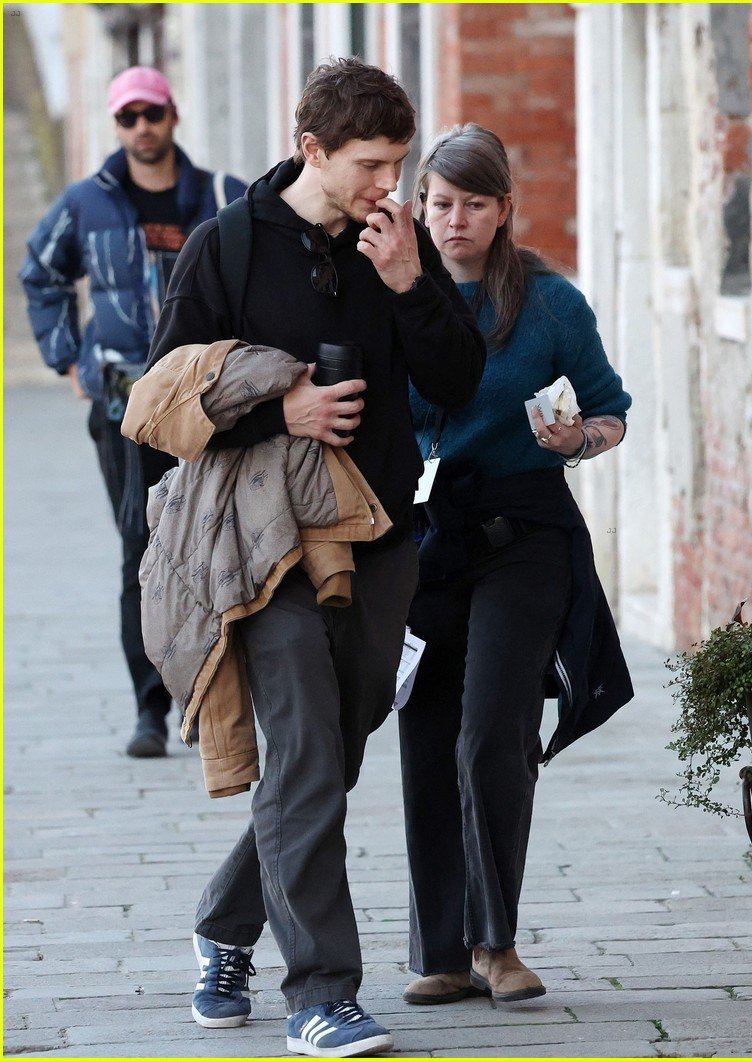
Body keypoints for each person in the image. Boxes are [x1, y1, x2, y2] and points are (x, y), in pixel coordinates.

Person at [144, 60, 486, 1057]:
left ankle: (222, 916)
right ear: (313, 151)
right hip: (260, 544)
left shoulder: (396, 244)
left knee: (332, 748)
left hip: (376, 537)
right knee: (300, 750)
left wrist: (409, 285)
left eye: (398, 163)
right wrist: (279, 406)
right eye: (371, 164)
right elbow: (168, 396)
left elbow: (457, 380)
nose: (390, 183)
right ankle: (321, 992)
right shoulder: (227, 246)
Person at [399, 123, 633, 1008]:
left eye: (474, 204)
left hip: (527, 532)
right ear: (420, 207)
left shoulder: (550, 303)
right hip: (423, 537)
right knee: (426, 735)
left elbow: (610, 411)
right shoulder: (397, 296)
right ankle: (442, 952)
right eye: (440, 202)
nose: (455, 220)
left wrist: (581, 438)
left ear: (503, 211)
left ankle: (497, 943)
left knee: (492, 729)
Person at [20, 66, 246, 758]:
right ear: (117, 126)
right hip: (123, 401)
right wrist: (67, 360)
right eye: (128, 117)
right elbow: (42, 272)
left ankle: (214, 697)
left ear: (174, 114)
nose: (142, 126)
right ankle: (150, 709)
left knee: (216, 545)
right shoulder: (86, 201)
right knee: (139, 547)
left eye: (152, 112)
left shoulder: (220, 197)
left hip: (206, 395)